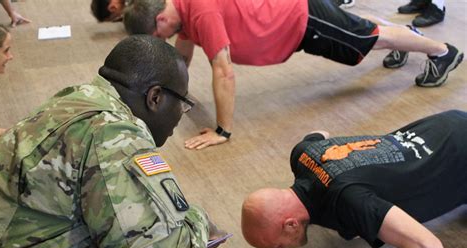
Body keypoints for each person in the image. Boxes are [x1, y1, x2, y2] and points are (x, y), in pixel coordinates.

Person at [0, 35, 226, 248]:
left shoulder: (78, 99)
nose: (181, 114)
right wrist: (199, 223)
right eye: (182, 103)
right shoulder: (113, 133)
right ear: (155, 97)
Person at [122, 0, 463, 150]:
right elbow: (181, 56)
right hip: (290, 27)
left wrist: (223, 131)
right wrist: (171, 92)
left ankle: (441, 52)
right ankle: (405, 43)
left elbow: (224, 72)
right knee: (367, 36)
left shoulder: (201, 11)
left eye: (157, 37)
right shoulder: (182, 13)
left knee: (365, 39)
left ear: (160, 22)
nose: (161, 42)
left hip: (301, 17)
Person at [241, 110, 467, 248]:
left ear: (291, 224)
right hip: (441, 125)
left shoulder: (350, 200)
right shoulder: (302, 154)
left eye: (276, 245)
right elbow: (318, 134)